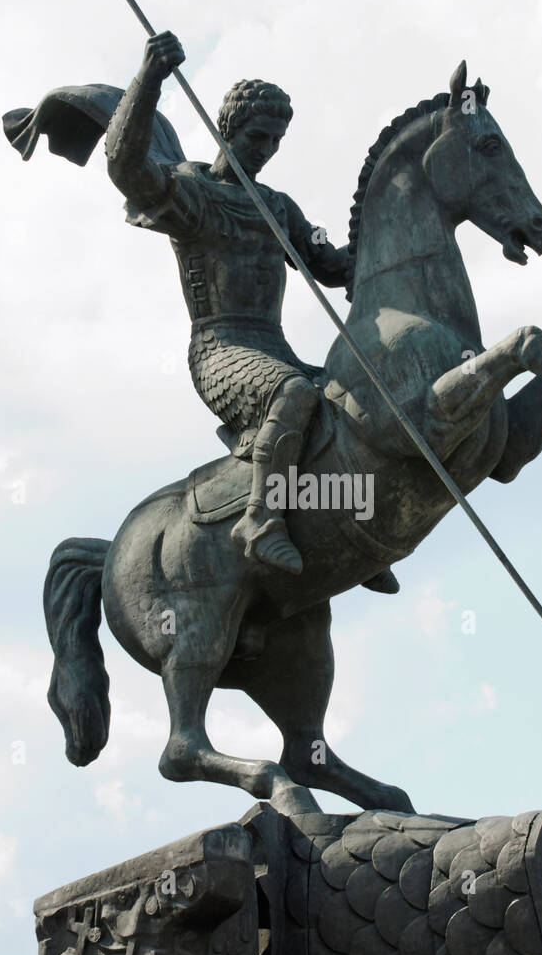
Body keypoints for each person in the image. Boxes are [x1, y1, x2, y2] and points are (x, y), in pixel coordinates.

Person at [105, 30, 397, 593]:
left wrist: (393, 218)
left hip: (274, 346)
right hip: (221, 349)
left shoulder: (280, 208)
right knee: (296, 394)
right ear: (228, 130)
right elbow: (126, 167)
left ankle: (343, 518)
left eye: (276, 140)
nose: (267, 149)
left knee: (356, 401)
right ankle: (261, 518)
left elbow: (331, 265)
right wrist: (148, 80)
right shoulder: (191, 190)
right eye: (259, 136)